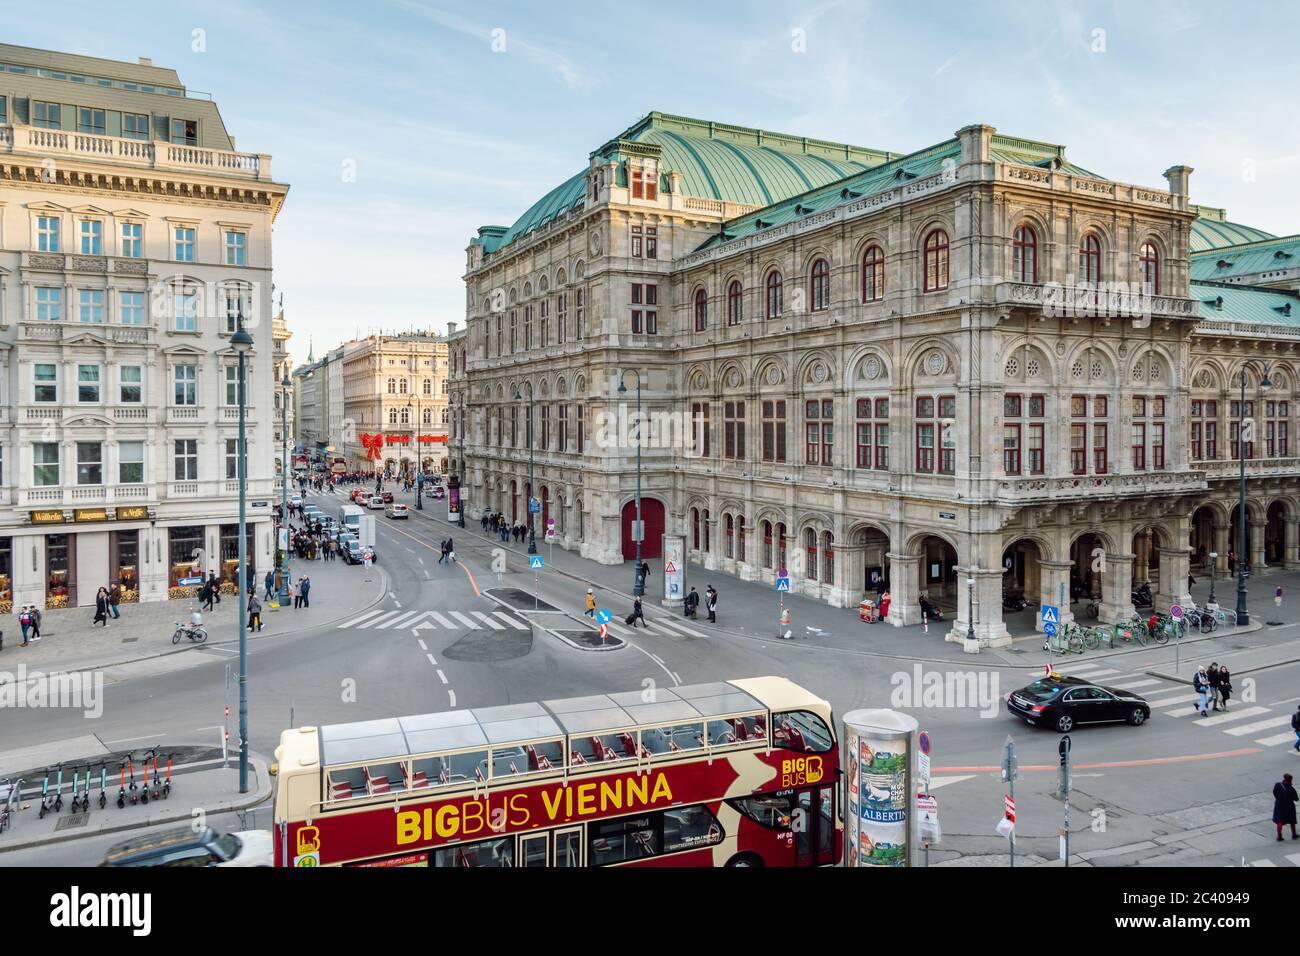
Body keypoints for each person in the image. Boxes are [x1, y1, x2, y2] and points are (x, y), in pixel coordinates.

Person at [1273, 773, 1298, 841]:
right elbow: (1296, 798)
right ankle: (1294, 834)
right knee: (1292, 820)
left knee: (1279, 821)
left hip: (1279, 805)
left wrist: (1278, 798)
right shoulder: (1291, 789)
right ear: (1290, 780)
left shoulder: (1277, 785)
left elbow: (1274, 792)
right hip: (1289, 807)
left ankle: (1279, 836)